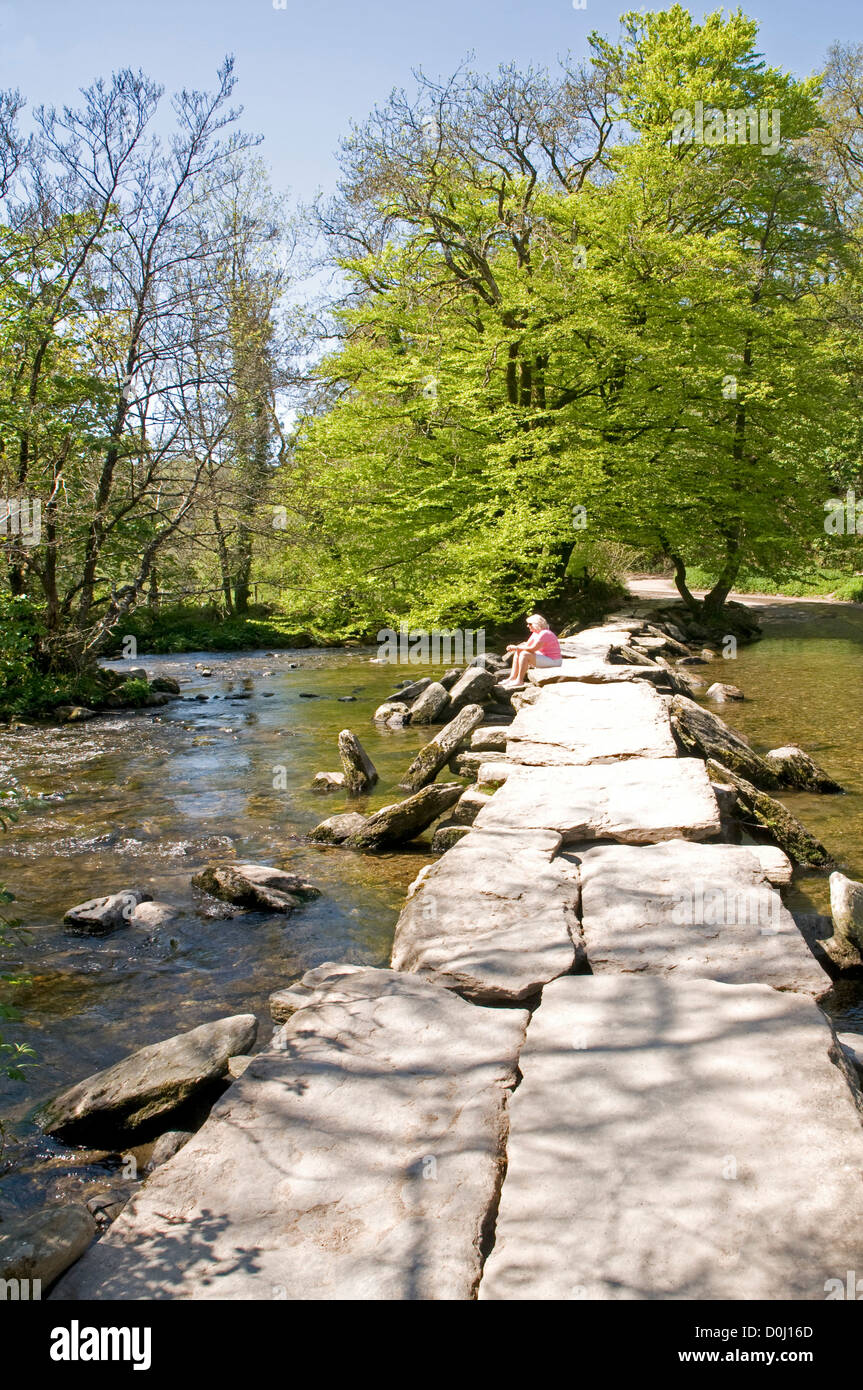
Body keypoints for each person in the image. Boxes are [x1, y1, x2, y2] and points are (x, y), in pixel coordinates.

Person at [500, 614, 562, 688]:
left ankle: (519, 680)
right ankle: (512, 678)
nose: (527, 626)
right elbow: (527, 645)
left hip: (554, 661)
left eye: (530, 624)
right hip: (545, 657)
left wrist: (516, 647)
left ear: (537, 624)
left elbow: (533, 648)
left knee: (524, 654)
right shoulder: (536, 633)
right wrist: (515, 648)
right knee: (519, 651)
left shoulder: (545, 633)